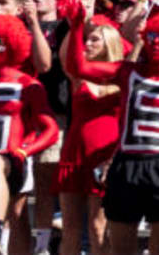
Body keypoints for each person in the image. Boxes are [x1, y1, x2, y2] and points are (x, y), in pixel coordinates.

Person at [63, 3, 159, 255]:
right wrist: (77, 26)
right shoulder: (127, 71)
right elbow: (79, 68)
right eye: (151, 36)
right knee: (121, 245)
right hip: (126, 164)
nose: (154, 43)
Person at [0, 14, 60, 255]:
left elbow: (51, 129)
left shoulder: (27, 84)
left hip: (8, 160)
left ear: (13, 44)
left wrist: (25, 151)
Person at [55, 17, 123, 255]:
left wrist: (113, 159)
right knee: (70, 227)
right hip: (74, 152)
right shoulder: (79, 75)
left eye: (95, 39)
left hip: (104, 155)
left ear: (109, 44)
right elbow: (65, 58)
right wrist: (76, 26)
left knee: (98, 226)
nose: (88, 43)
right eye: (87, 39)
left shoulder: (123, 77)